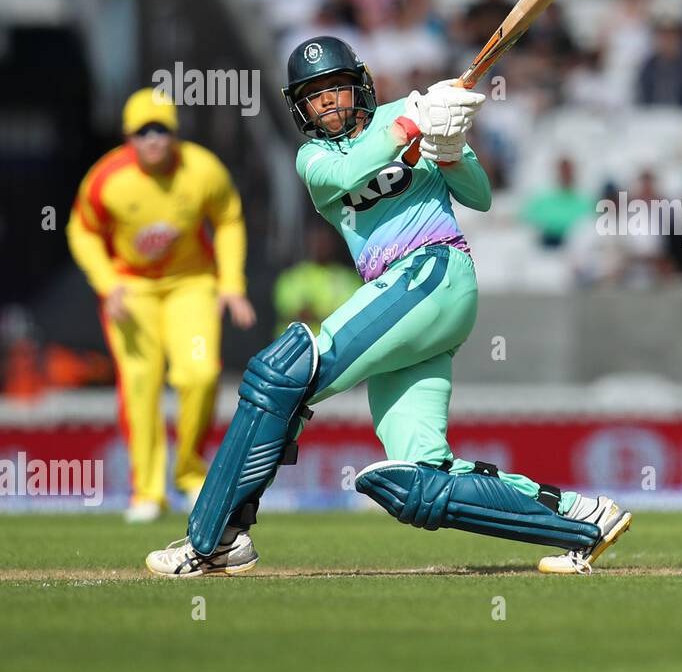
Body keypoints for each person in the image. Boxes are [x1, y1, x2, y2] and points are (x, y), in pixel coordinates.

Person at [145, 37, 631, 577]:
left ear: (361, 86)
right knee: (421, 479)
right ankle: (582, 520)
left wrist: (448, 148)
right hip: (407, 303)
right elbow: (351, 172)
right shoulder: (315, 159)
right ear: (301, 108)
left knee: (280, 373)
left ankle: (215, 539)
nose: (328, 102)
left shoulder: (411, 112)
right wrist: (412, 127)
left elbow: (479, 195)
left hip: (432, 271)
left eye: (336, 89)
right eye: (315, 96)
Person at [68, 89, 256, 522]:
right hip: (132, 290)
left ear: (174, 133)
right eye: (143, 132)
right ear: (128, 136)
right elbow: (82, 230)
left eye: (162, 130)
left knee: (200, 372)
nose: (153, 140)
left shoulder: (201, 169)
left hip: (190, 284)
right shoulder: (107, 178)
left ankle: (190, 473)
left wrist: (231, 283)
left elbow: (228, 218)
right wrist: (107, 282)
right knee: (140, 384)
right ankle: (147, 492)